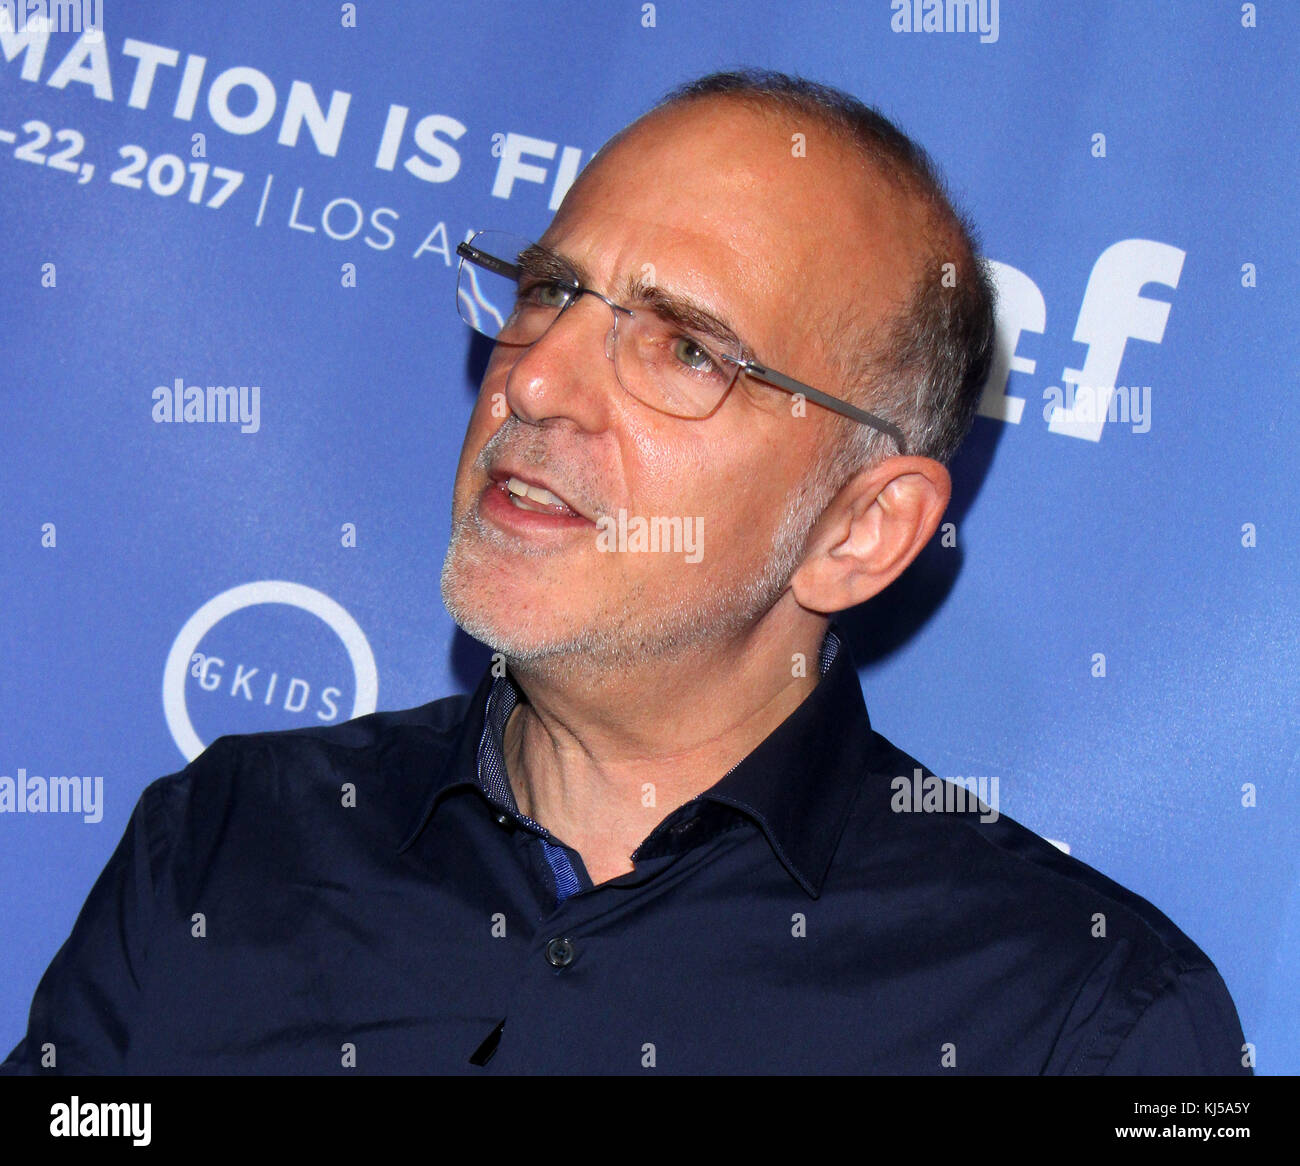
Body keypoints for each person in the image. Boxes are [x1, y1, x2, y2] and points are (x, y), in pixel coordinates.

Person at [2, 69, 1248, 1075]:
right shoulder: (228, 836)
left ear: (860, 529)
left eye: (687, 349)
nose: (536, 378)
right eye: (551, 290)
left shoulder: (1087, 1015)